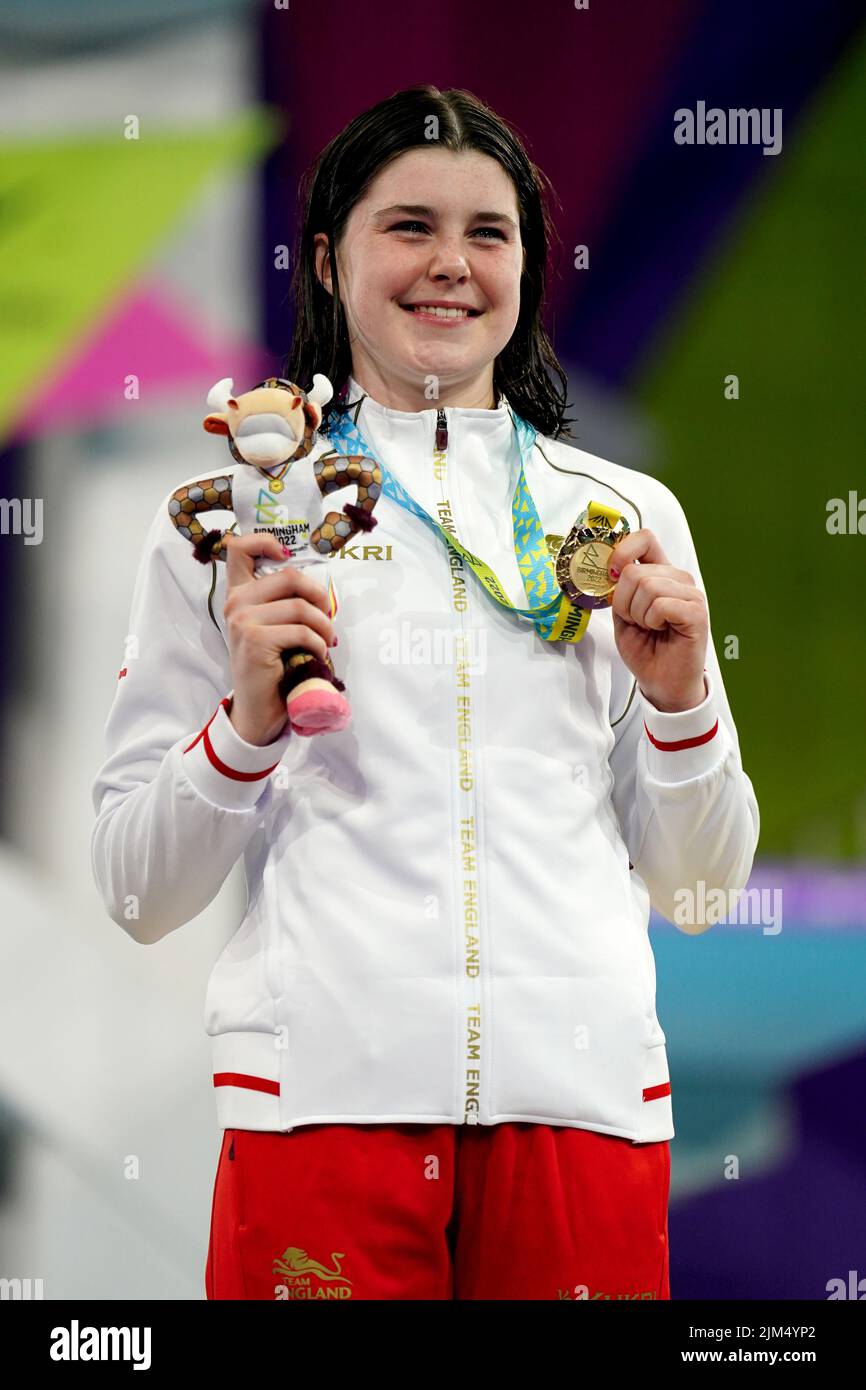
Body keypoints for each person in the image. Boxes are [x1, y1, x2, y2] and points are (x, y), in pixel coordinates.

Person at [91, 84, 759, 1301]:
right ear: (331, 262)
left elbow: (704, 889)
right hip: (322, 1110)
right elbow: (136, 887)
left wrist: (678, 710)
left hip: (583, 1105)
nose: (449, 264)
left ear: (526, 270)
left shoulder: (621, 521)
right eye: (407, 225)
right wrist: (241, 728)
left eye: (487, 233)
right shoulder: (233, 522)